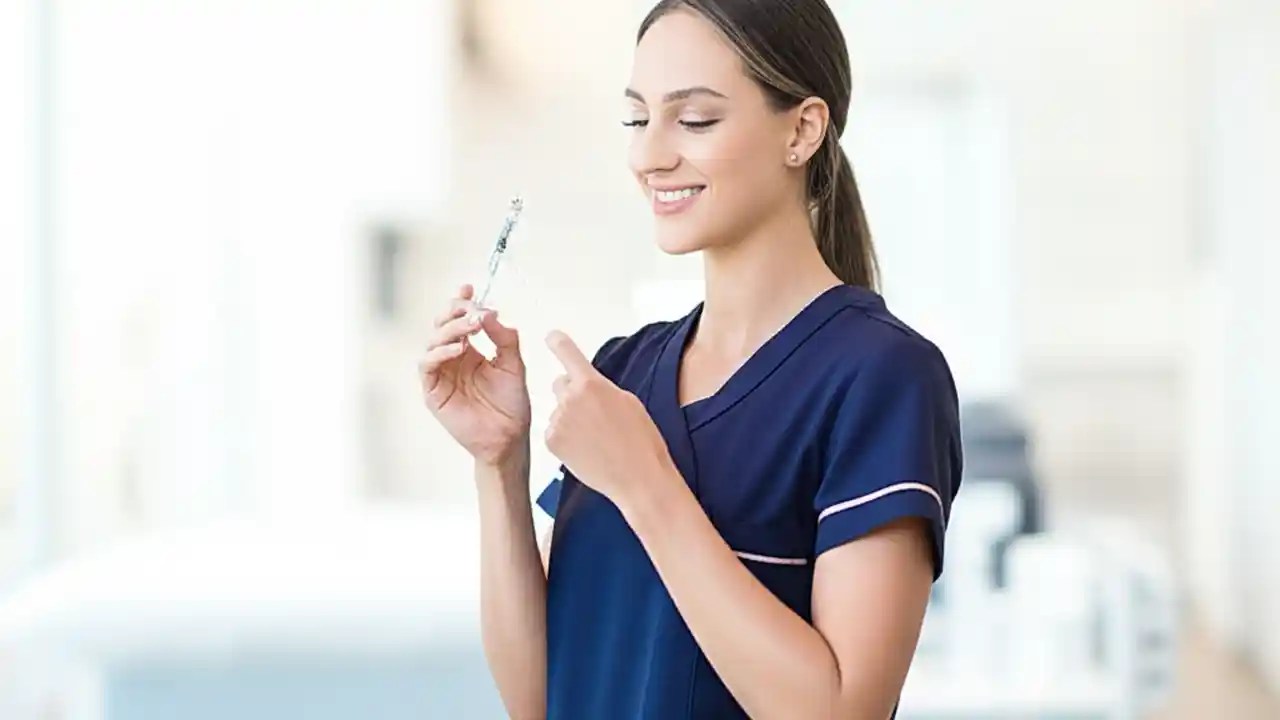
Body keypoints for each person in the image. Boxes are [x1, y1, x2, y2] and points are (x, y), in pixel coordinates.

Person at [418, 1, 962, 717]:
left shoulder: (880, 378)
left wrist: (645, 483)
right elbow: (540, 696)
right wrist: (499, 464)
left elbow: (842, 709)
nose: (650, 156)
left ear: (802, 130)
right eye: (637, 119)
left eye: (695, 120)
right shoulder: (623, 373)